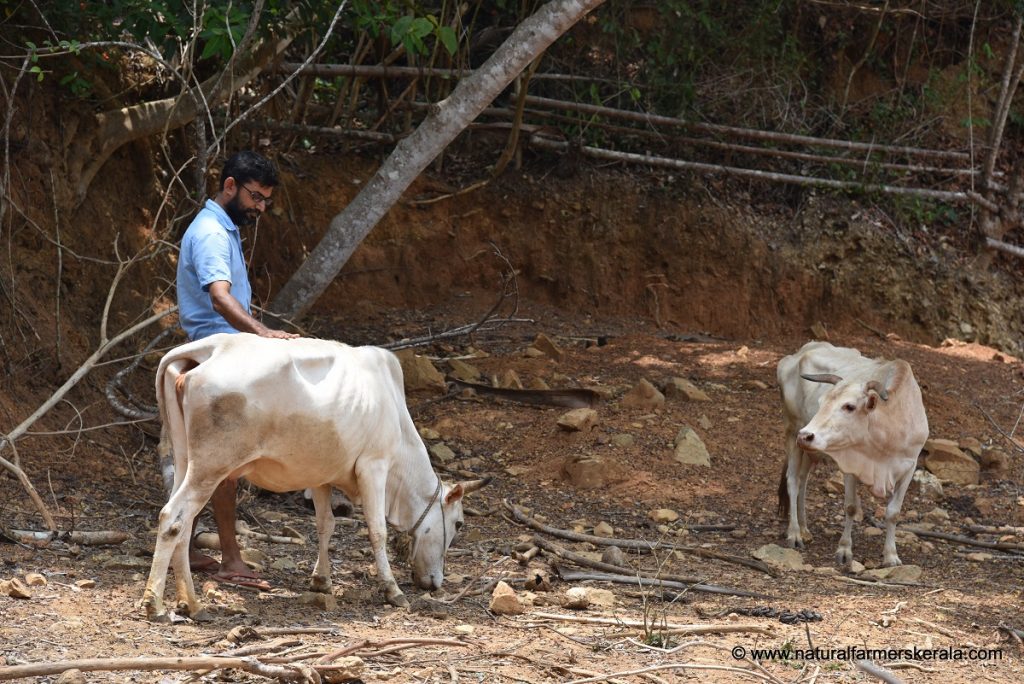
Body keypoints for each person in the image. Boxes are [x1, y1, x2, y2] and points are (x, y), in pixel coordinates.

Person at [175, 150, 299, 590]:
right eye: (255, 197)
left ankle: (190, 547)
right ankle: (229, 557)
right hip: (215, 354)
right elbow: (220, 299)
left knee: (199, 459)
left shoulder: (223, 228)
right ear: (230, 186)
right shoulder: (210, 232)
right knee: (222, 462)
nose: (260, 208)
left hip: (214, 349)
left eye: (265, 200)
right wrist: (263, 334)